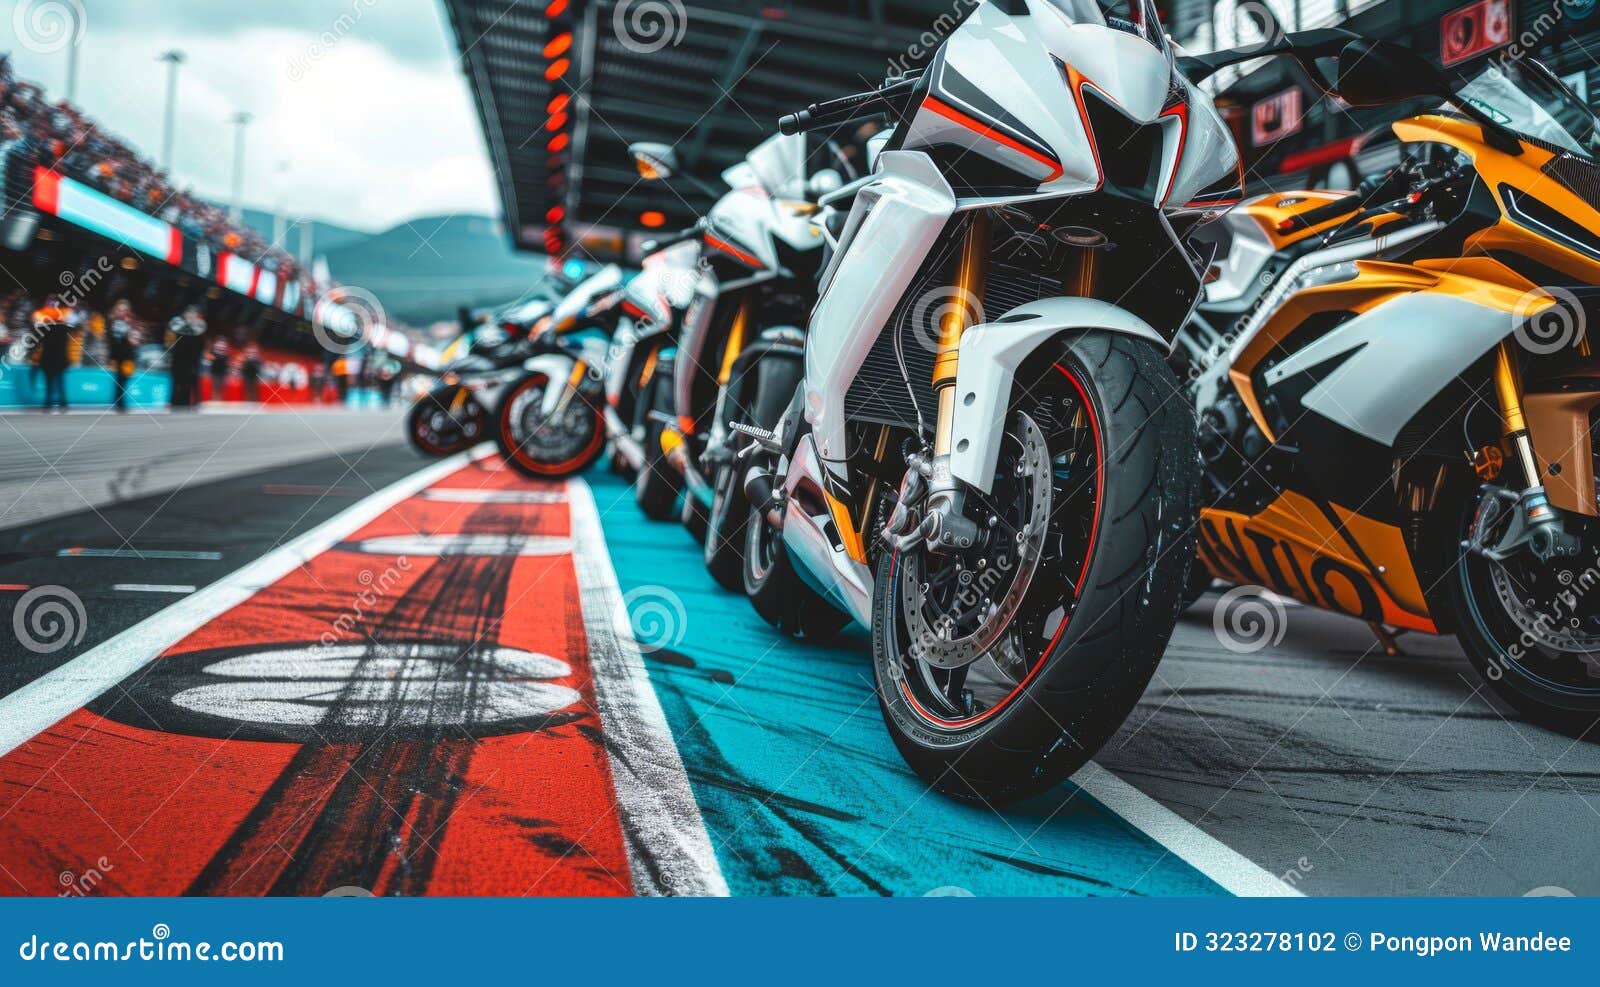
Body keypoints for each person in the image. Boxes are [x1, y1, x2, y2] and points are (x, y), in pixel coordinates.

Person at [32, 296, 78, 412]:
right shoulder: (44, 324)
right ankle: (51, 405)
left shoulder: (64, 323)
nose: (52, 306)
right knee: (51, 383)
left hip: (58, 357)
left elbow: (74, 320)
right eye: (50, 303)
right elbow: (36, 322)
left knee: (59, 382)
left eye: (54, 304)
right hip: (48, 357)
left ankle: (61, 404)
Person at [166, 305, 206, 409]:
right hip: (178, 360)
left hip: (193, 361)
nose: (191, 316)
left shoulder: (199, 328)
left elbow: (201, 344)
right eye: (189, 313)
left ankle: (192, 403)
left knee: (191, 383)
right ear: (184, 314)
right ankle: (175, 403)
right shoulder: (176, 325)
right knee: (177, 383)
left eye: (194, 314)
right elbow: (170, 342)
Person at [105, 299, 139, 412]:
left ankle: (119, 403)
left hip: (128, 356)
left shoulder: (131, 323)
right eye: (119, 309)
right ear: (115, 310)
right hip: (117, 356)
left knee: (124, 379)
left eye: (124, 310)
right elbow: (110, 340)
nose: (122, 312)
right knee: (119, 380)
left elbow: (135, 339)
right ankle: (120, 404)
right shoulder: (111, 322)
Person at [209, 335, 230, 401]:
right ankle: (215, 399)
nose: (221, 345)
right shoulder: (214, 349)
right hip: (215, 370)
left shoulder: (225, 350)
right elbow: (211, 358)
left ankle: (220, 399)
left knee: (221, 386)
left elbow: (227, 360)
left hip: (222, 370)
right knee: (215, 386)